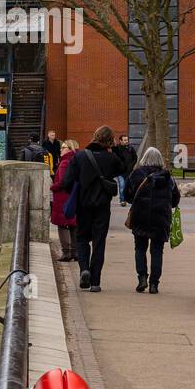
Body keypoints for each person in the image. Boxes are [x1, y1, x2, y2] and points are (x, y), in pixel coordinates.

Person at [56, 125, 123, 292]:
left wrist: (74, 192)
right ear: (110, 140)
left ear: (94, 136)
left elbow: (67, 182)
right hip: (102, 206)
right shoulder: (111, 158)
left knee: (82, 238)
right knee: (99, 242)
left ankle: (84, 269)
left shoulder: (80, 157)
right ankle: (95, 281)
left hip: (83, 204)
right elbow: (124, 168)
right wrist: (117, 149)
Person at [124, 147, 181, 294]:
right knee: (157, 251)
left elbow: (128, 196)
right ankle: (154, 284)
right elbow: (175, 200)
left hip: (140, 216)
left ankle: (142, 278)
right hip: (161, 217)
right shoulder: (168, 178)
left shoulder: (136, 175)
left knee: (140, 248)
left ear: (144, 158)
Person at [50, 139, 79, 262]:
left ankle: (66, 252)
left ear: (70, 148)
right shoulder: (77, 160)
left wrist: (52, 187)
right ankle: (75, 251)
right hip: (74, 196)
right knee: (73, 225)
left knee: (62, 225)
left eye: (64, 147)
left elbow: (62, 182)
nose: (61, 150)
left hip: (63, 197)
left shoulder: (64, 162)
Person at [113, 133, 137, 205]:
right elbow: (113, 156)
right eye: (124, 140)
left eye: (127, 140)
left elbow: (135, 158)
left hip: (129, 171)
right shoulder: (117, 148)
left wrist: (131, 165)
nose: (126, 141)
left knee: (129, 186)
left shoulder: (130, 148)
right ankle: (122, 200)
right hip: (120, 172)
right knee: (122, 187)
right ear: (120, 141)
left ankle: (128, 199)